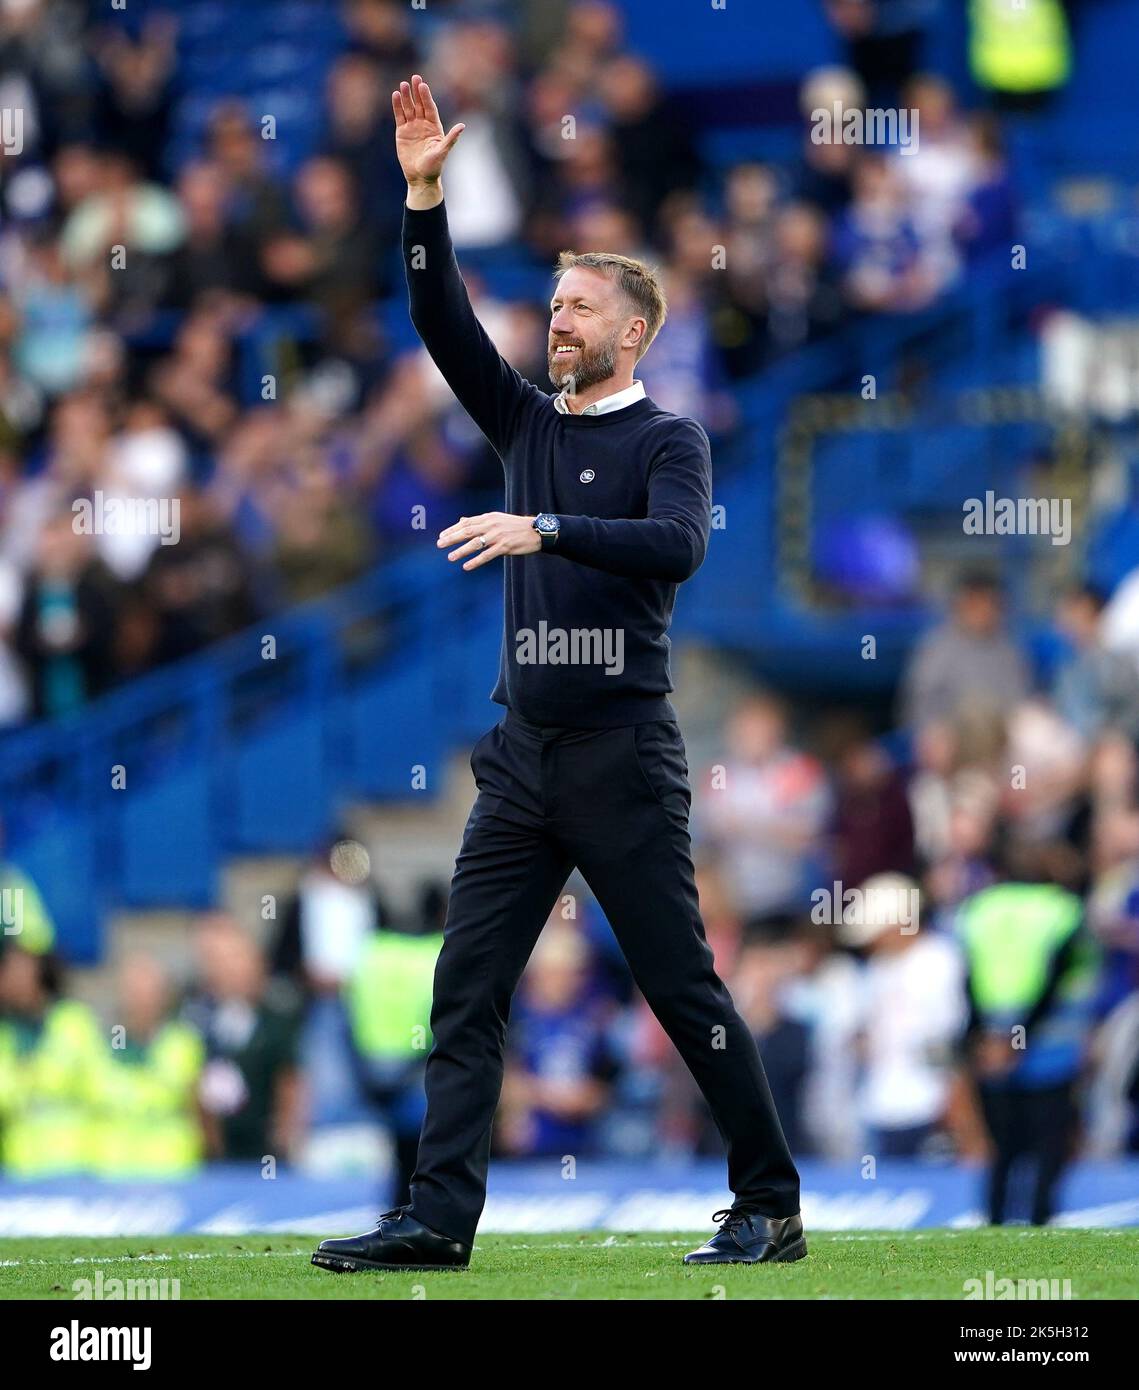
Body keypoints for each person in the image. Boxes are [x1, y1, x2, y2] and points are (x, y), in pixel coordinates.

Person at [313, 74, 804, 1275]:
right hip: (523, 756)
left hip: (622, 756)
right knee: (463, 987)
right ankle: (436, 1218)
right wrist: (422, 200)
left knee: (679, 984)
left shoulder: (665, 437)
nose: (558, 321)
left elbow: (677, 545)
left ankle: (770, 1201)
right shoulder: (528, 425)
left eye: (581, 308)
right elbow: (439, 327)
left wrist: (548, 532)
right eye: (555, 304)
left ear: (632, 332)